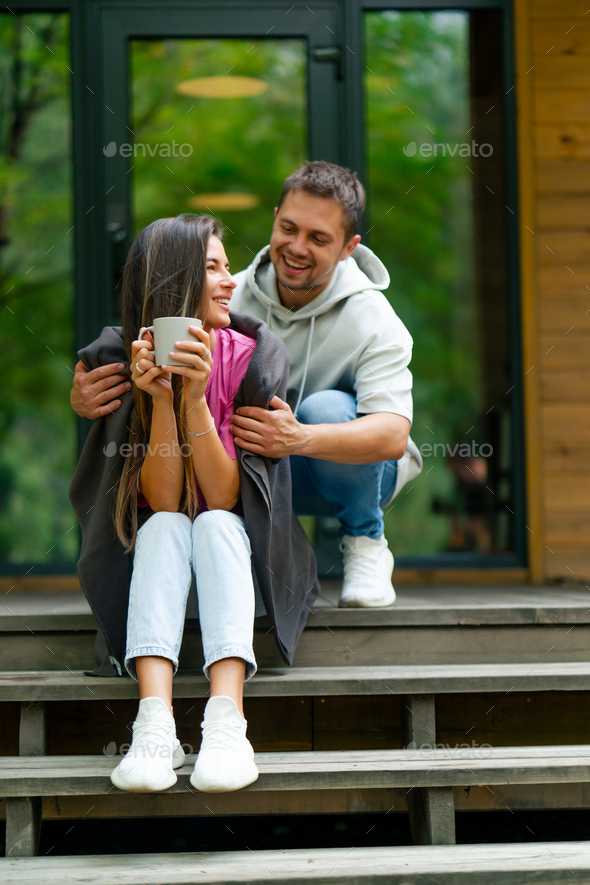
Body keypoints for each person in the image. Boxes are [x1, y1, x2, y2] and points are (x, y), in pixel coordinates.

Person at [71, 162, 421, 608]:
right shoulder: (226, 290)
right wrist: (85, 390)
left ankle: (366, 540)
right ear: (275, 217)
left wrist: (299, 438)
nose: (296, 248)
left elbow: (392, 436)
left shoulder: (375, 320)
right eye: (288, 228)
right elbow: (153, 331)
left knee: (326, 408)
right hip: (256, 462)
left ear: (349, 247)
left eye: (317, 238)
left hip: (344, 468)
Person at [69, 214, 318, 794]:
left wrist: (198, 401)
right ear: (172, 282)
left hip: (239, 565)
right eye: (213, 268)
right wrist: (160, 400)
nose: (231, 280)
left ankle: (225, 722)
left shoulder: (248, 355)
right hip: (157, 574)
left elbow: (229, 495)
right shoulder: (130, 358)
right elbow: (160, 499)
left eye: (228, 267)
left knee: (215, 524)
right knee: (163, 527)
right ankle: (154, 726)